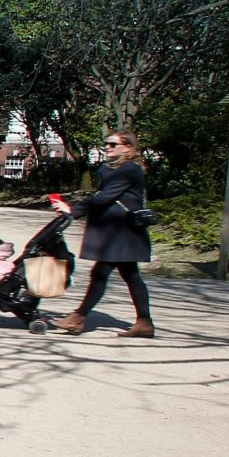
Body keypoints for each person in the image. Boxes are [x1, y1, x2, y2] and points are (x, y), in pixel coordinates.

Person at [49, 130, 155, 338]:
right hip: (119, 232)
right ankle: (144, 322)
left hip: (119, 232)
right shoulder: (116, 169)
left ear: (128, 148)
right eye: (106, 143)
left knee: (100, 273)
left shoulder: (129, 170)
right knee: (131, 276)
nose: (107, 147)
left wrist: (73, 210)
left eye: (113, 144)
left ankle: (78, 317)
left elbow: (105, 197)